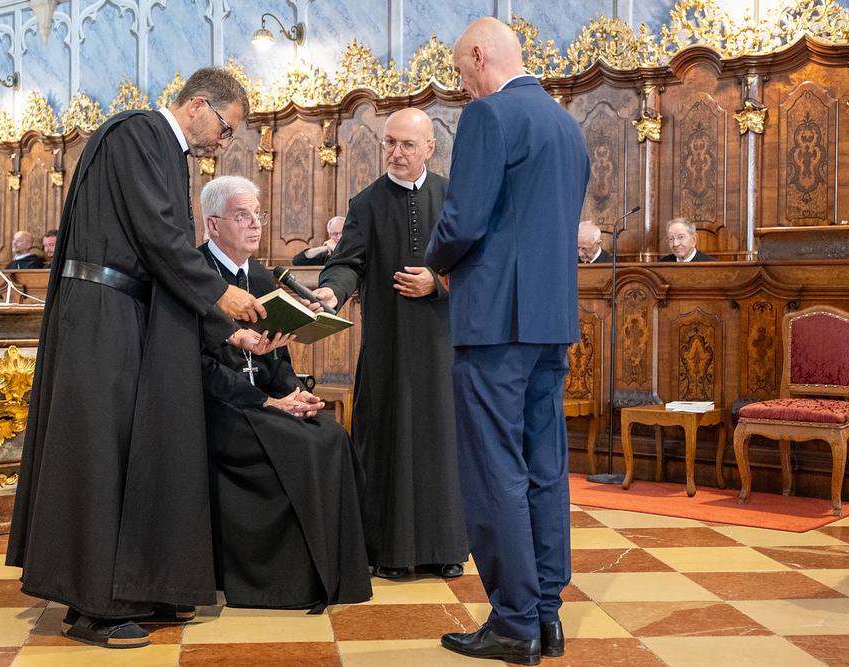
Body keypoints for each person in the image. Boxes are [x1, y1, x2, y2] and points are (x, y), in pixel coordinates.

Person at [6, 67, 270, 650]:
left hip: (126, 312)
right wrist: (219, 293)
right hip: (100, 315)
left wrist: (226, 333)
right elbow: (160, 238)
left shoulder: (164, 152)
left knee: (126, 452)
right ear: (198, 104)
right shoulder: (138, 133)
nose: (224, 144)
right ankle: (90, 607)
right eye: (226, 129)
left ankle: (132, 587)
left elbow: (161, 256)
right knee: (97, 452)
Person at [424, 18, 590, 665]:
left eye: (461, 71)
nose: (463, 85)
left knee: (494, 467)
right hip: (550, 322)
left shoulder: (490, 117)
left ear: (478, 54)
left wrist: (431, 256)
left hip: (495, 322)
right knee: (545, 468)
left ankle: (513, 620)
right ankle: (547, 614)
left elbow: (463, 219)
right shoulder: (566, 127)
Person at [307, 107, 469, 581]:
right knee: (388, 442)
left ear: (430, 148)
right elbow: (347, 263)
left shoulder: (452, 197)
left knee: (442, 442)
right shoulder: (366, 202)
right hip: (389, 344)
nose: (395, 153)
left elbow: (477, 264)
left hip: (441, 343)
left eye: (406, 144)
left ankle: (446, 549)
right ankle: (390, 551)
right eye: (389, 143)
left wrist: (437, 285)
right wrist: (331, 291)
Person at [197, 176, 372, 611]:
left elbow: (277, 357)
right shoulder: (197, 275)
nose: (255, 224)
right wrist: (266, 402)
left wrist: (295, 394)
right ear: (213, 225)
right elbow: (195, 364)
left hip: (262, 403)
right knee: (299, 443)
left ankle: (336, 572)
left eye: (259, 215)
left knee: (330, 435)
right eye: (243, 215)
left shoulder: (259, 275)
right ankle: (283, 583)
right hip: (215, 408)